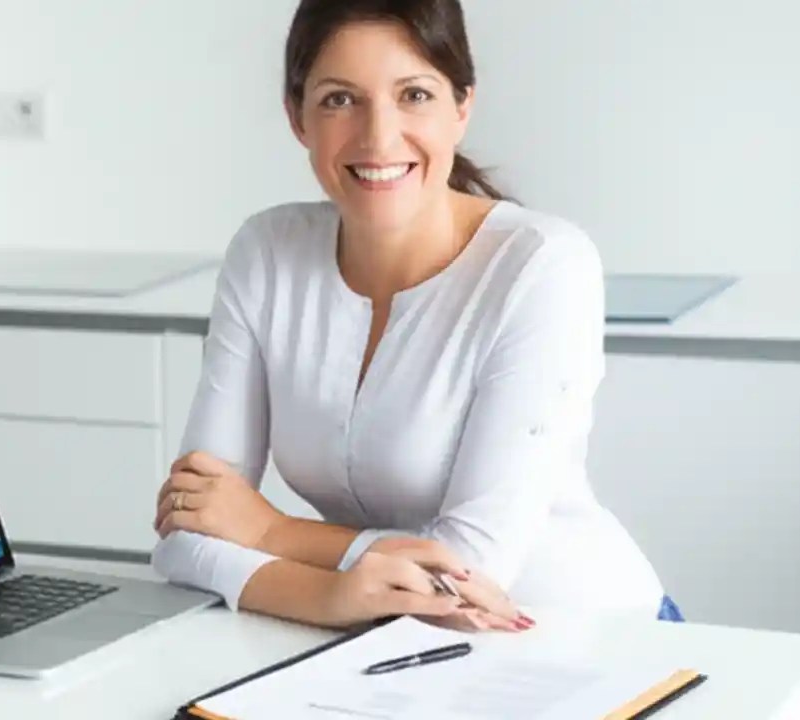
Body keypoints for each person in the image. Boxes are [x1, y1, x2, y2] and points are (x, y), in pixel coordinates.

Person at [151, 0, 669, 631]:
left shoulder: (542, 265)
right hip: (382, 642)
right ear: (297, 117)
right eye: (340, 99)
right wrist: (332, 599)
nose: (378, 136)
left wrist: (268, 531)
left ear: (462, 107)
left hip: (588, 636)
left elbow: (468, 574)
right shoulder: (266, 253)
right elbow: (188, 527)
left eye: (414, 95)